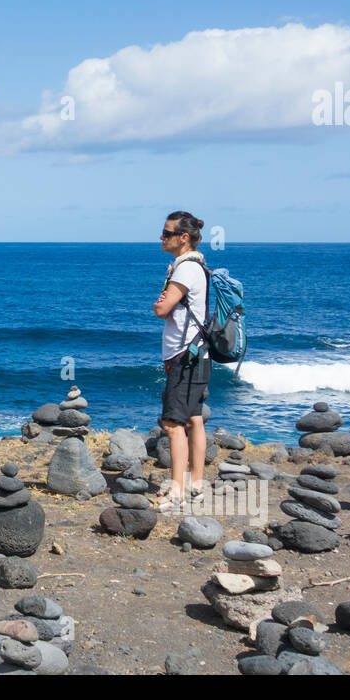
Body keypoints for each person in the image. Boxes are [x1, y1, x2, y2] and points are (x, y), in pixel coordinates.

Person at [151, 210, 211, 511]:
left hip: (185, 354)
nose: (161, 237)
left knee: (173, 423)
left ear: (183, 237)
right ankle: (196, 485)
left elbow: (161, 310)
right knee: (194, 418)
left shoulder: (185, 269)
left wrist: (160, 302)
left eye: (167, 233)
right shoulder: (197, 266)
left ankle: (176, 491)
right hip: (199, 353)